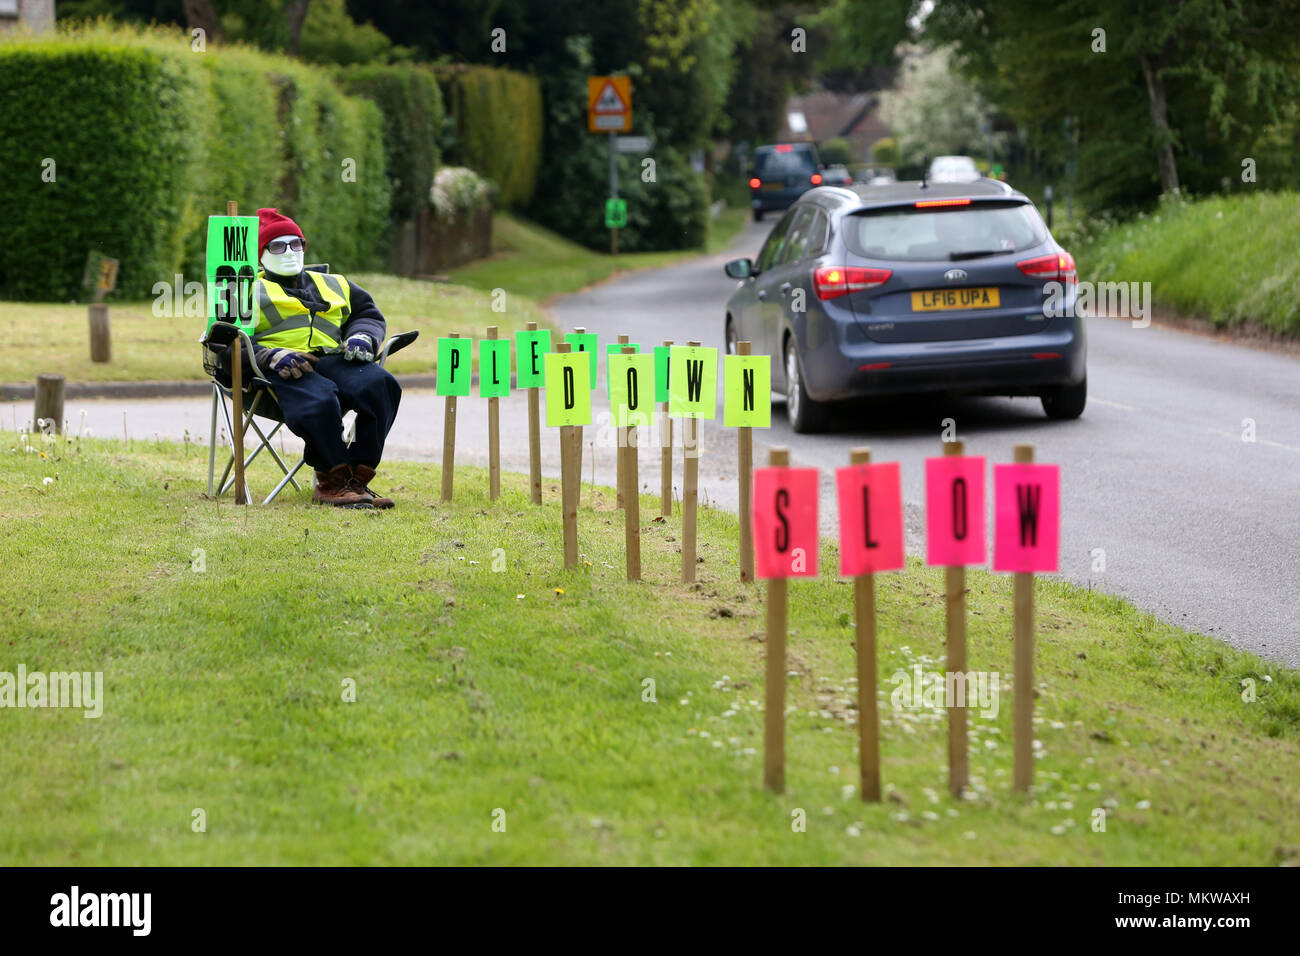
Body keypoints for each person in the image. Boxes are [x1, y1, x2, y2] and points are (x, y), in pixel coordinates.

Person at [246, 207, 402, 509]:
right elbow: (226, 338)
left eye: (296, 243)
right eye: (277, 245)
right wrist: (268, 356)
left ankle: (356, 478)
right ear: (261, 253)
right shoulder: (248, 289)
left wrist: (363, 336)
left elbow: (367, 314)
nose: (290, 251)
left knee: (381, 384)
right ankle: (331, 480)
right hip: (284, 366)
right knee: (319, 398)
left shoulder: (334, 283)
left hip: (334, 357)